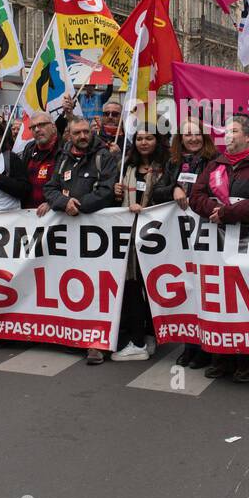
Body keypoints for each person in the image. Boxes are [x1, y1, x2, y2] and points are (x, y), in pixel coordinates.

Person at [191, 115, 249, 383]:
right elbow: (197, 195)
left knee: (244, 300)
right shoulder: (214, 165)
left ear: (248, 137)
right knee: (220, 299)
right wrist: (213, 211)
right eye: (226, 130)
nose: (227, 135)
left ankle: (246, 359)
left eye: (233, 130)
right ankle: (221, 356)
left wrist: (228, 213)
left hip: (246, 245)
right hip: (217, 245)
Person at [41, 116, 119, 363]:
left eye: (86, 131)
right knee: (71, 287)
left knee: (98, 288)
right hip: (69, 239)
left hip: (97, 239)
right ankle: (72, 333)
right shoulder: (63, 157)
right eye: (77, 133)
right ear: (70, 136)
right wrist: (64, 203)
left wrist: (80, 206)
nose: (83, 136)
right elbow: (50, 189)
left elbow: (107, 192)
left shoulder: (104, 156)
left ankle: (97, 342)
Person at [111, 129, 171, 361]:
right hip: (130, 237)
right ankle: (139, 340)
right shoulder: (126, 166)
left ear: (158, 141)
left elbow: (169, 193)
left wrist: (149, 206)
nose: (143, 142)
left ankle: (146, 337)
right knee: (132, 287)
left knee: (152, 288)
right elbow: (114, 200)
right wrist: (117, 195)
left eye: (149, 138)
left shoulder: (167, 166)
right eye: (139, 138)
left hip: (157, 236)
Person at [168, 117, 218, 369]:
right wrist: (174, 188)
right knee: (185, 289)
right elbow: (159, 190)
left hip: (206, 236)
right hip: (179, 238)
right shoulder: (174, 162)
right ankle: (190, 344)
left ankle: (205, 348)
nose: (193, 138)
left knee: (205, 289)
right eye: (187, 134)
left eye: (197, 133)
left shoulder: (215, 161)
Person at [19, 111, 63, 209]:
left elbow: (71, 184)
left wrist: (53, 202)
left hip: (56, 215)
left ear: (53, 127)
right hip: (29, 215)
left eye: (41, 125)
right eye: (33, 127)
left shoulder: (64, 149)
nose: (37, 129)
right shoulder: (29, 149)